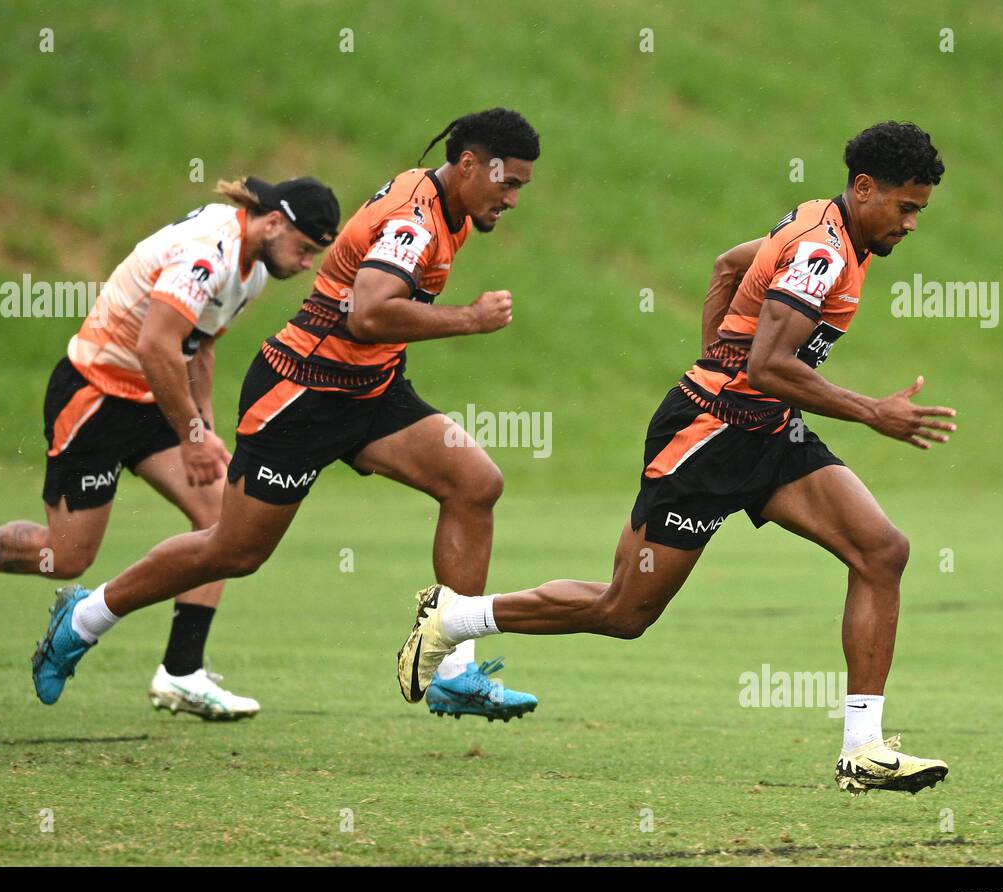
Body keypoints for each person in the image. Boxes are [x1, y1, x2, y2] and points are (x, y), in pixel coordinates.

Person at [399, 121, 957, 792]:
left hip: (769, 433)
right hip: (708, 440)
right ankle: (454, 617)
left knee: (881, 551)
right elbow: (772, 362)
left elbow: (727, 267)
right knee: (622, 612)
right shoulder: (822, 252)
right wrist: (872, 411)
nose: (912, 223)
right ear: (865, 189)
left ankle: (862, 749)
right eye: (906, 206)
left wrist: (716, 362)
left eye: (919, 209)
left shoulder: (823, 222)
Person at [32, 108, 543, 721]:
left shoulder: (446, 204)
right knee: (233, 552)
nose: (512, 198)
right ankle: (85, 618)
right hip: (301, 394)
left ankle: (453, 669)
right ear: (468, 165)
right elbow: (368, 314)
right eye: (507, 182)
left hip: (370, 388)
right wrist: (469, 318)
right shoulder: (414, 217)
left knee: (475, 483)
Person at [0, 176, 338, 719]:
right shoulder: (208, 255)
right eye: (305, 248)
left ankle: (181, 672)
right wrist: (190, 435)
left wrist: (204, 432)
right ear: (275, 223)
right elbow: (155, 344)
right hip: (95, 394)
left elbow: (199, 349)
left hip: (155, 396)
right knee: (66, 556)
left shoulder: (253, 267)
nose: (307, 263)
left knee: (220, 517)